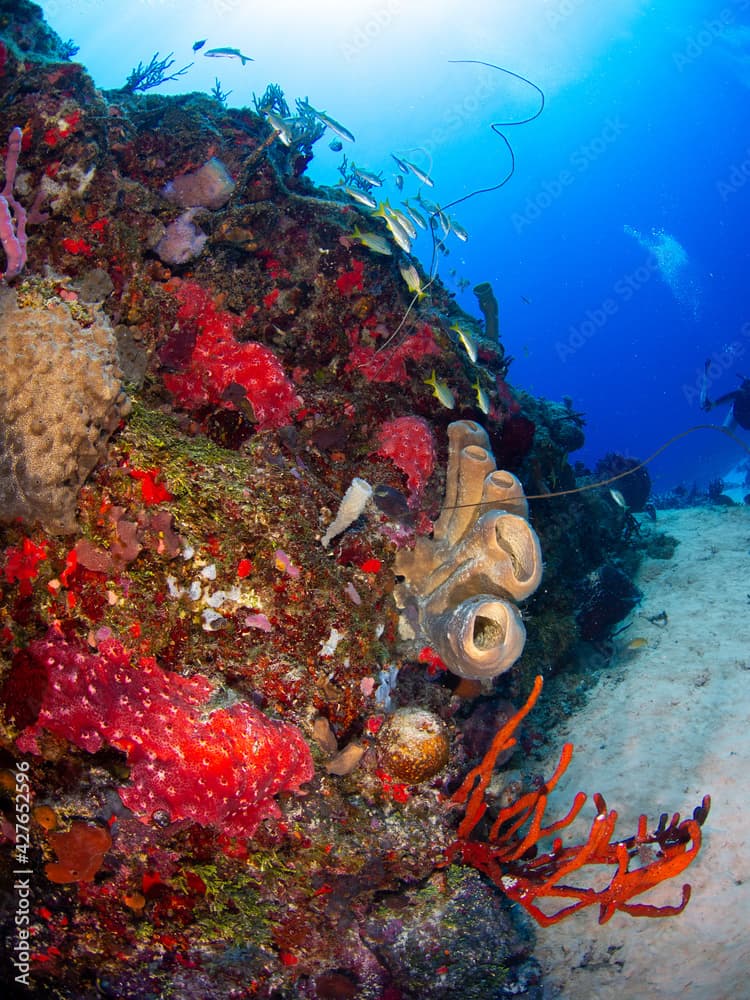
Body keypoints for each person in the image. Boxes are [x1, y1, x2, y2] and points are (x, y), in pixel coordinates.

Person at [700, 363, 750, 431]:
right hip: (740, 416)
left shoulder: (740, 393)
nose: (746, 393)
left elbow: (727, 397)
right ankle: (728, 425)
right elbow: (726, 397)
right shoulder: (738, 393)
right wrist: (713, 405)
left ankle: (729, 425)